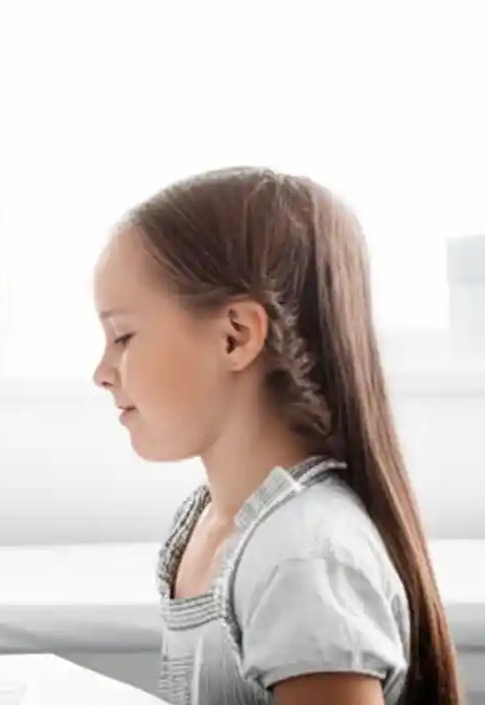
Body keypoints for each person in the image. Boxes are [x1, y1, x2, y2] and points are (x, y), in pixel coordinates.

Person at [92, 167, 460, 704]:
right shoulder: (211, 525)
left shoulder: (303, 556)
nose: (102, 371)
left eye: (123, 336)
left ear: (235, 337)